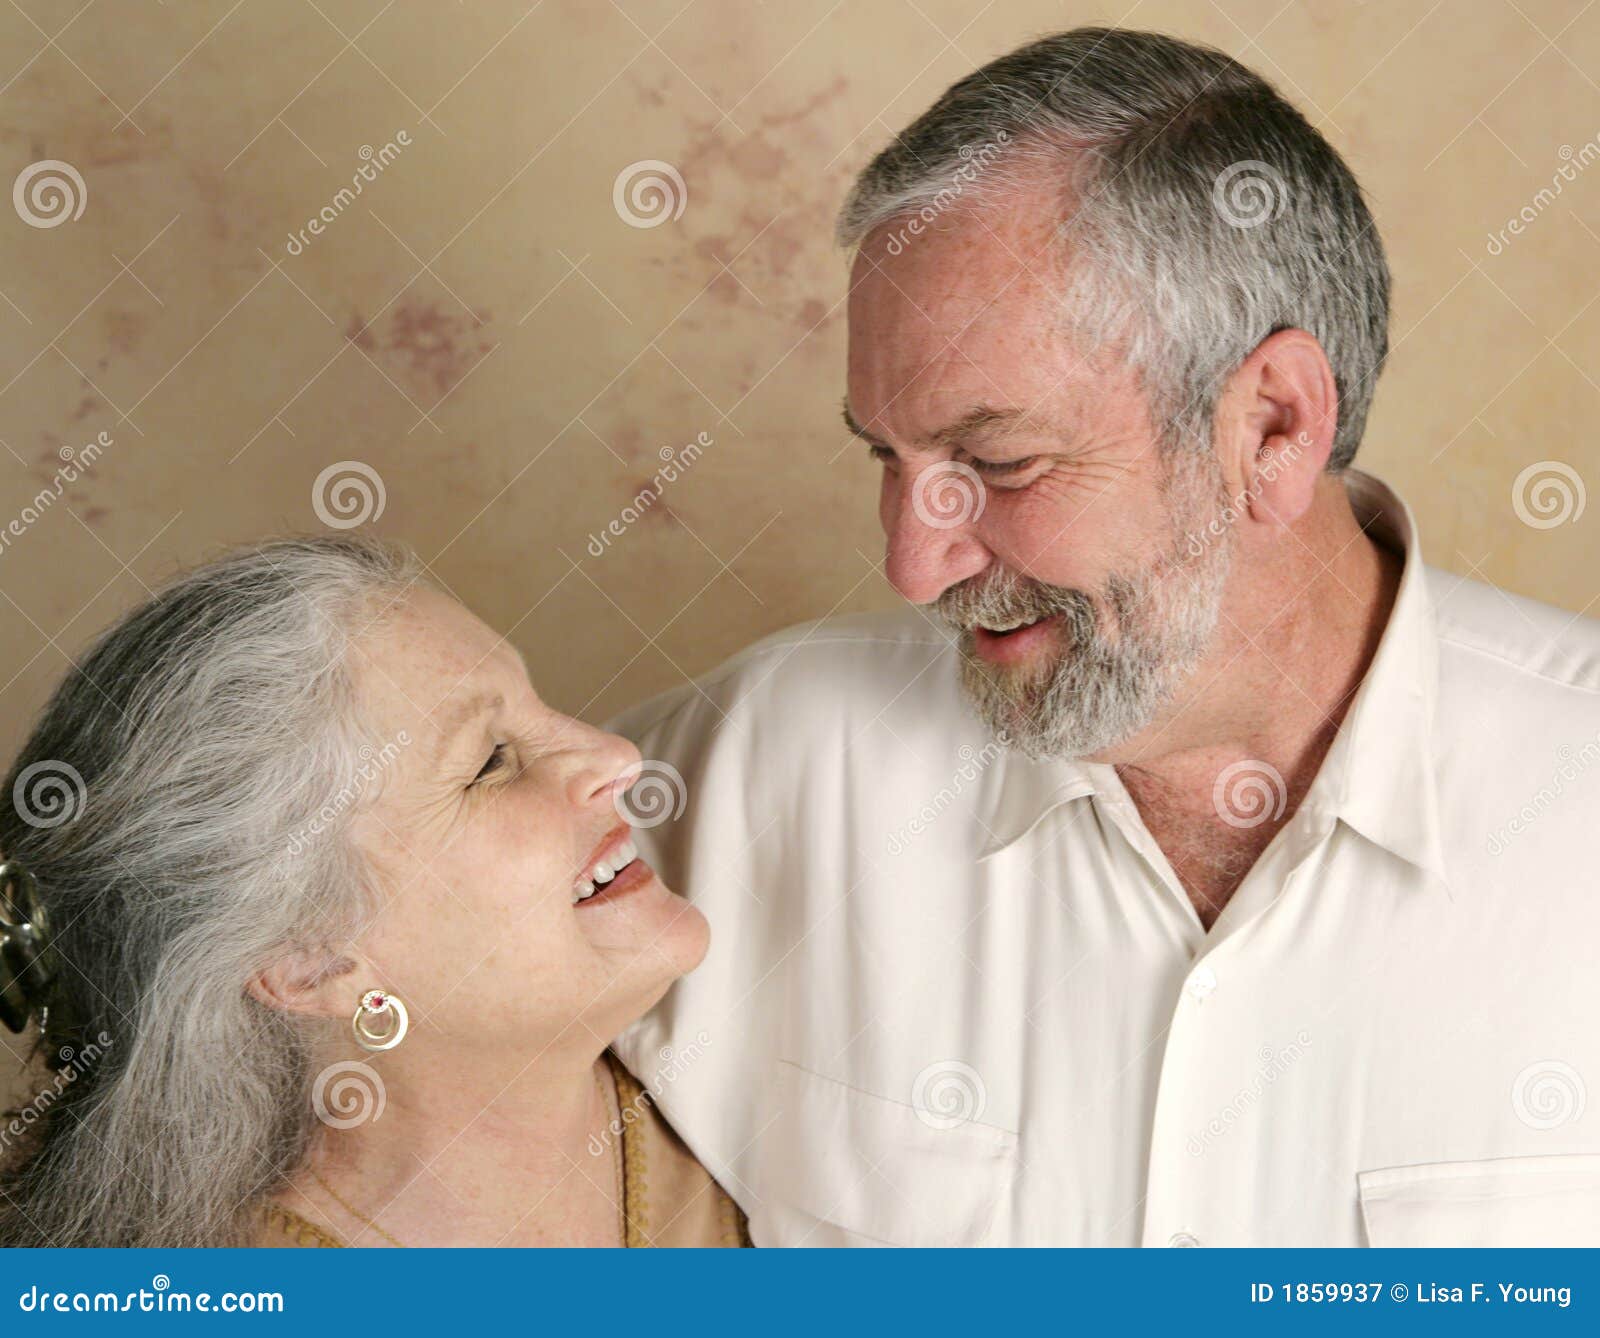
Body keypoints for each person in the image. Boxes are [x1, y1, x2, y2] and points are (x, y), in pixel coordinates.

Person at [605, 27, 1600, 1246]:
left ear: (1274, 427)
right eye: (888, 456)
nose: (914, 563)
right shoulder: (747, 767)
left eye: (1001, 461)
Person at [0, 536, 747, 1248]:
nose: (618, 755)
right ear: (311, 964)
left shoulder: (741, 1075)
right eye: (492, 762)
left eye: (539, 705)